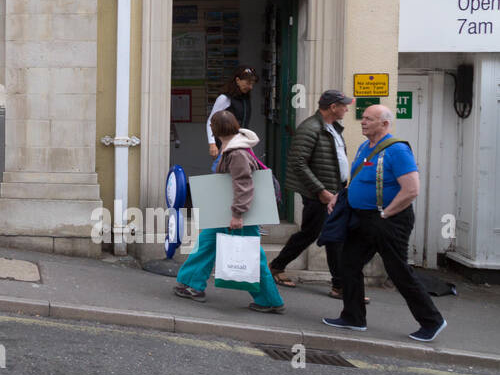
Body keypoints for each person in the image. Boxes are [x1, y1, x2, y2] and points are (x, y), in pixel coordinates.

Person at [323, 104, 446, 342]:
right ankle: (353, 318)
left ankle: (433, 321)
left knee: (399, 272)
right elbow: (357, 179)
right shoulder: (364, 147)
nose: (363, 122)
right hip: (363, 219)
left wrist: (386, 213)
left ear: (385, 124)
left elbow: (411, 190)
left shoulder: (397, 150)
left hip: (388, 220)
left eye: (369, 119)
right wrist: (340, 196)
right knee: (348, 263)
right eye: (363, 118)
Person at [174, 110, 285, 313]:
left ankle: (270, 300)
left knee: (253, 257)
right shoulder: (235, 146)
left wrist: (237, 214)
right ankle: (190, 284)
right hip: (226, 212)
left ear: (215, 130)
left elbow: (243, 184)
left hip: (237, 214)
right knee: (206, 243)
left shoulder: (237, 153)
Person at [269, 89, 364, 300]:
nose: (347, 109)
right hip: (320, 193)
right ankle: (339, 285)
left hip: (334, 190)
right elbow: (298, 162)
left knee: (324, 234)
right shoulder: (310, 128)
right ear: (332, 107)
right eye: (344, 105)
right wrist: (320, 191)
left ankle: (279, 266)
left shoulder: (331, 128)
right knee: (322, 235)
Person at [207, 66, 257, 159]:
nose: (251, 87)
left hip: (242, 143)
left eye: (252, 84)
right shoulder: (224, 98)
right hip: (226, 145)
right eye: (248, 83)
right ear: (237, 80)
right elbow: (211, 121)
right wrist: (212, 144)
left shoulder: (245, 98)